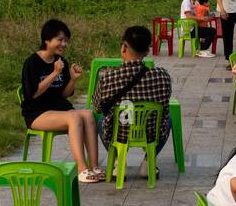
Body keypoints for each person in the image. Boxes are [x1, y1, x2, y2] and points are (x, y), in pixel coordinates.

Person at [20, 19, 104, 182]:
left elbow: (64, 95)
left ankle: (94, 167)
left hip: (58, 109)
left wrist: (72, 79)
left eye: (66, 40)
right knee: (74, 117)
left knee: (87, 115)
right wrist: (54, 73)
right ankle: (81, 169)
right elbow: (33, 94)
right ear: (47, 40)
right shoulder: (32, 62)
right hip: (37, 113)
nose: (64, 44)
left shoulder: (61, 62)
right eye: (60, 40)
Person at [92, 26, 173, 180]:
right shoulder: (162, 75)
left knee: (101, 120)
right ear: (147, 51)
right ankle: (148, 162)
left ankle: (116, 162)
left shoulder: (107, 78)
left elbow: (97, 107)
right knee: (167, 119)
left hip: (119, 132)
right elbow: (165, 105)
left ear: (124, 47)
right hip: (150, 132)